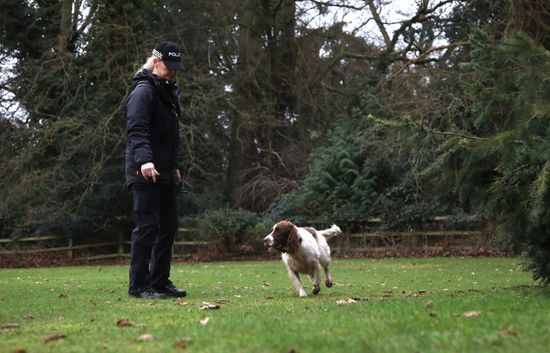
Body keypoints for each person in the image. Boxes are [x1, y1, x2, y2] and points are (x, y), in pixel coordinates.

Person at [125, 41, 187, 299]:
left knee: (168, 226)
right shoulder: (143, 92)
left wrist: (173, 168)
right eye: (167, 66)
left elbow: (167, 138)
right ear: (154, 62)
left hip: (163, 172)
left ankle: (160, 281)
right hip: (144, 172)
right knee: (147, 226)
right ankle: (139, 285)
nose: (172, 71)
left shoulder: (166, 93)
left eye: (175, 68)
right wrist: (145, 161)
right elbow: (137, 130)